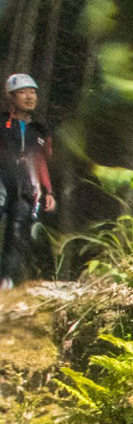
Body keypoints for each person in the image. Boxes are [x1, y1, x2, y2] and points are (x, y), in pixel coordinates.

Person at [0, 74, 55, 289]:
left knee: (16, 235)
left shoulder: (40, 132)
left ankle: (6, 283)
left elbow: (41, 163)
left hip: (24, 189)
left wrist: (49, 191)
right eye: (23, 92)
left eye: (32, 91)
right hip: (2, 181)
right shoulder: (2, 123)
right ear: (11, 97)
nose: (29, 96)